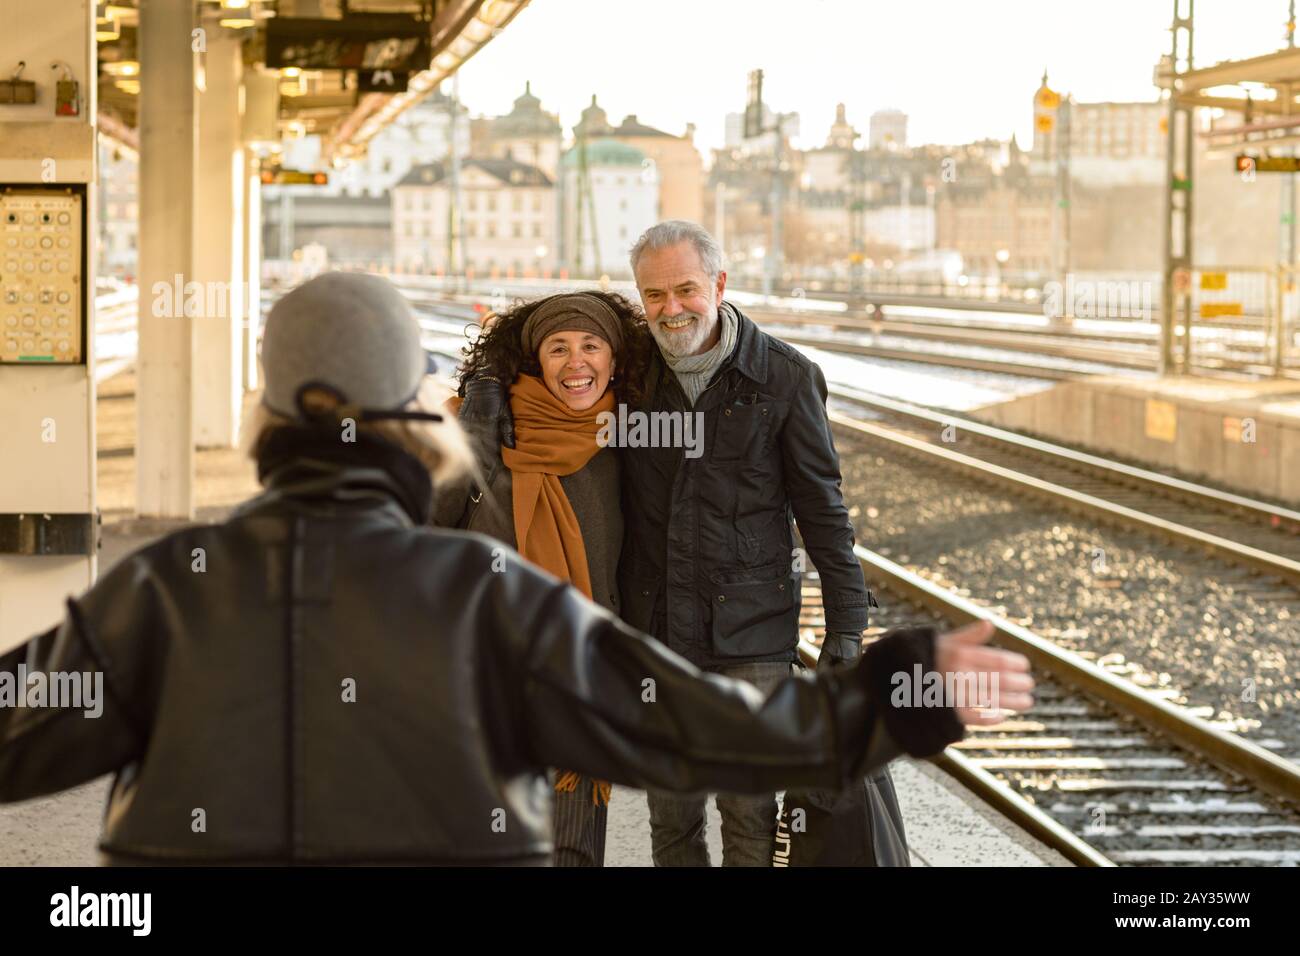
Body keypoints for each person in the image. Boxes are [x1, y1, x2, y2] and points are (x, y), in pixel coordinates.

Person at [0, 272, 1033, 866]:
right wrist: (901, 689)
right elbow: (718, 732)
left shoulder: (166, 585)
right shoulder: (486, 595)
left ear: (264, 425)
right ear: (418, 422)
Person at [433, 290, 653, 866]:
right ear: (535, 359)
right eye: (558, 348)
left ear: (615, 358)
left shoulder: (631, 437)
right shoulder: (480, 421)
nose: (576, 362)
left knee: (574, 848)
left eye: (590, 346)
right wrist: (474, 434)